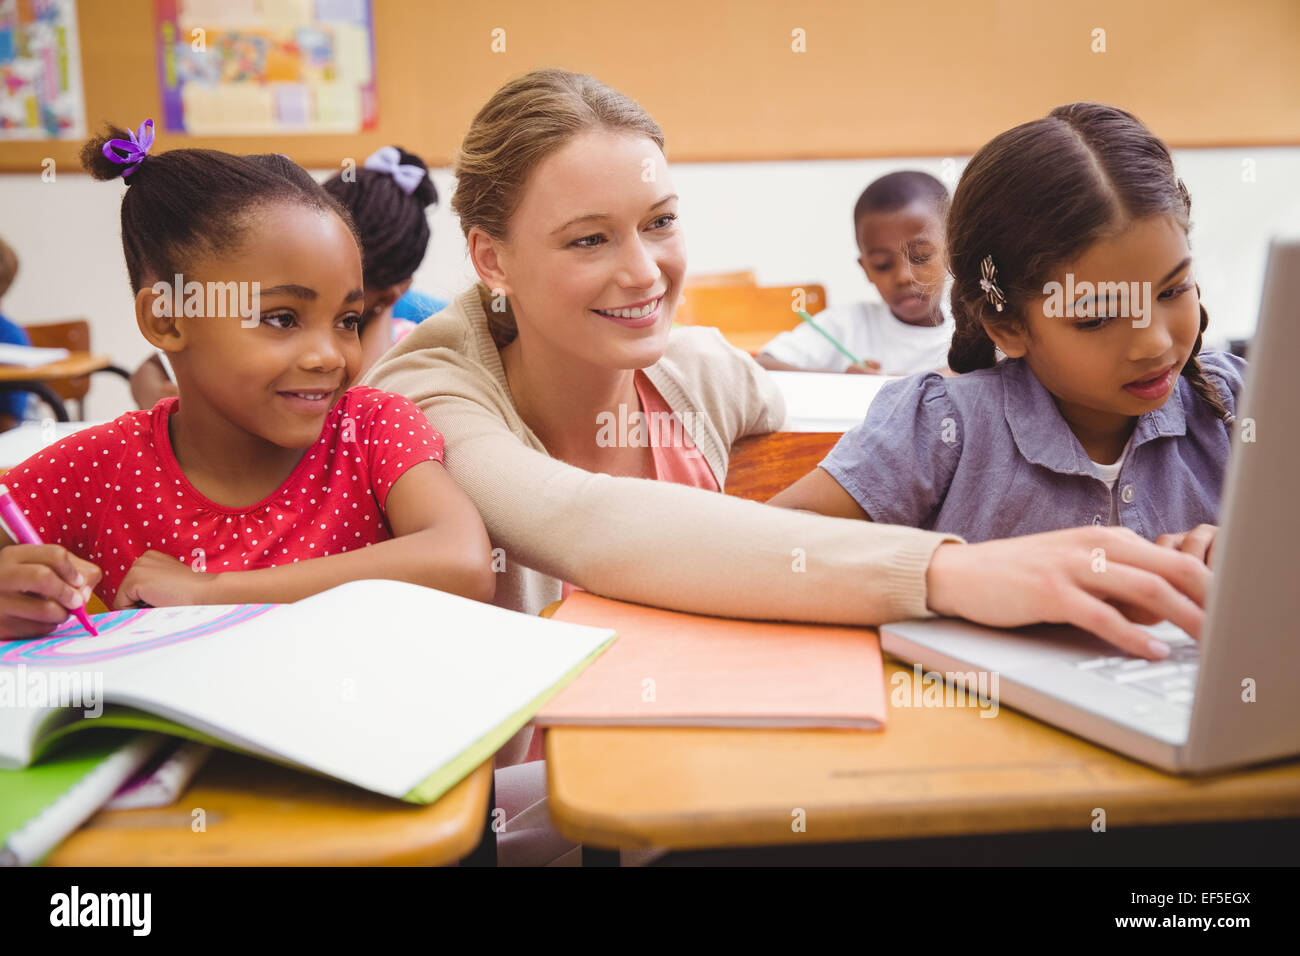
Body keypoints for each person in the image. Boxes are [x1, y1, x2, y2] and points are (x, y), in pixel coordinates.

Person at [0, 121, 494, 639]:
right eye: (282, 318)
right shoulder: (99, 468)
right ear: (167, 318)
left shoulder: (371, 430)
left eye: (348, 321)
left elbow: (462, 561)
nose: (328, 355)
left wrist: (211, 593)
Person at [773, 103, 1238, 572]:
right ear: (1009, 328)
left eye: (1173, 289)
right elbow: (770, 546)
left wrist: (1263, 546)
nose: (1154, 343)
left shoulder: (1238, 404)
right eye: (1097, 317)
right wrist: (950, 573)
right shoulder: (941, 428)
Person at [757, 171, 953, 375]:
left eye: (920, 257)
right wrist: (846, 381)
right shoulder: (848, 325)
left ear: (950, 253)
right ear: (865, 269)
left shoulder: (972, 330)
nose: (903, 277)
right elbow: (764, 364)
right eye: (882, 264)